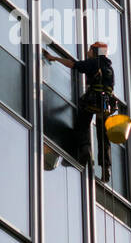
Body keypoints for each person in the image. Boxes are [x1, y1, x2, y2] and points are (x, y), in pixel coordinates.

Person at [43, 40, 117, 180]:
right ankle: (106, 167)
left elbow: (74, 65)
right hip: (105, 106)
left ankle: (85, 151)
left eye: (90, 50)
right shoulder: (109, 69)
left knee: (82, 125)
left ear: (96, 52)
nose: (88, 52)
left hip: (92, 100)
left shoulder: (94, 62)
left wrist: (55, 58)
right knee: (103, 136)